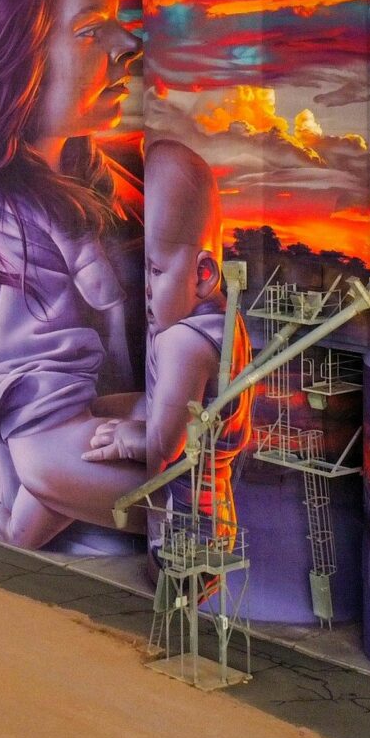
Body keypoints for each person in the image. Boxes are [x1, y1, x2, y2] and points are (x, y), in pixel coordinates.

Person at [0, 0, 151, 552]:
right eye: (90, 30)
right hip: (71, 475)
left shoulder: (106, 184)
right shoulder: (13, 214)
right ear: (17, 57)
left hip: (74, 478)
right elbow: (44, 445)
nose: (128, 45)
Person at [86, 136, 251, 530]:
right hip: (214, 514)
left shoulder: (182, 342)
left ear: (203, 274)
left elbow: (162, 450)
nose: (142, 286)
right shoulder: (226, 323)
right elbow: (174, 405)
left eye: (156, 271)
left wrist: (129, 437)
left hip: (189, 528)